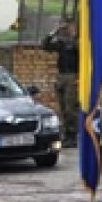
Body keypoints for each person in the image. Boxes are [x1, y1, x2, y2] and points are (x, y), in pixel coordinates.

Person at [42, 19, 80, 147]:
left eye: (69, 27)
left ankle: (72, 135)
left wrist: (74, 36)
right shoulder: (62, 43)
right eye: (66, 27)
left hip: (73, 76)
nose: (67, 29)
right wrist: (54, 31)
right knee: (62, 107)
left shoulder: (78, 42)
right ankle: (66, 134)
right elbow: (45, 46)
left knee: (70, 108)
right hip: (61, 76)